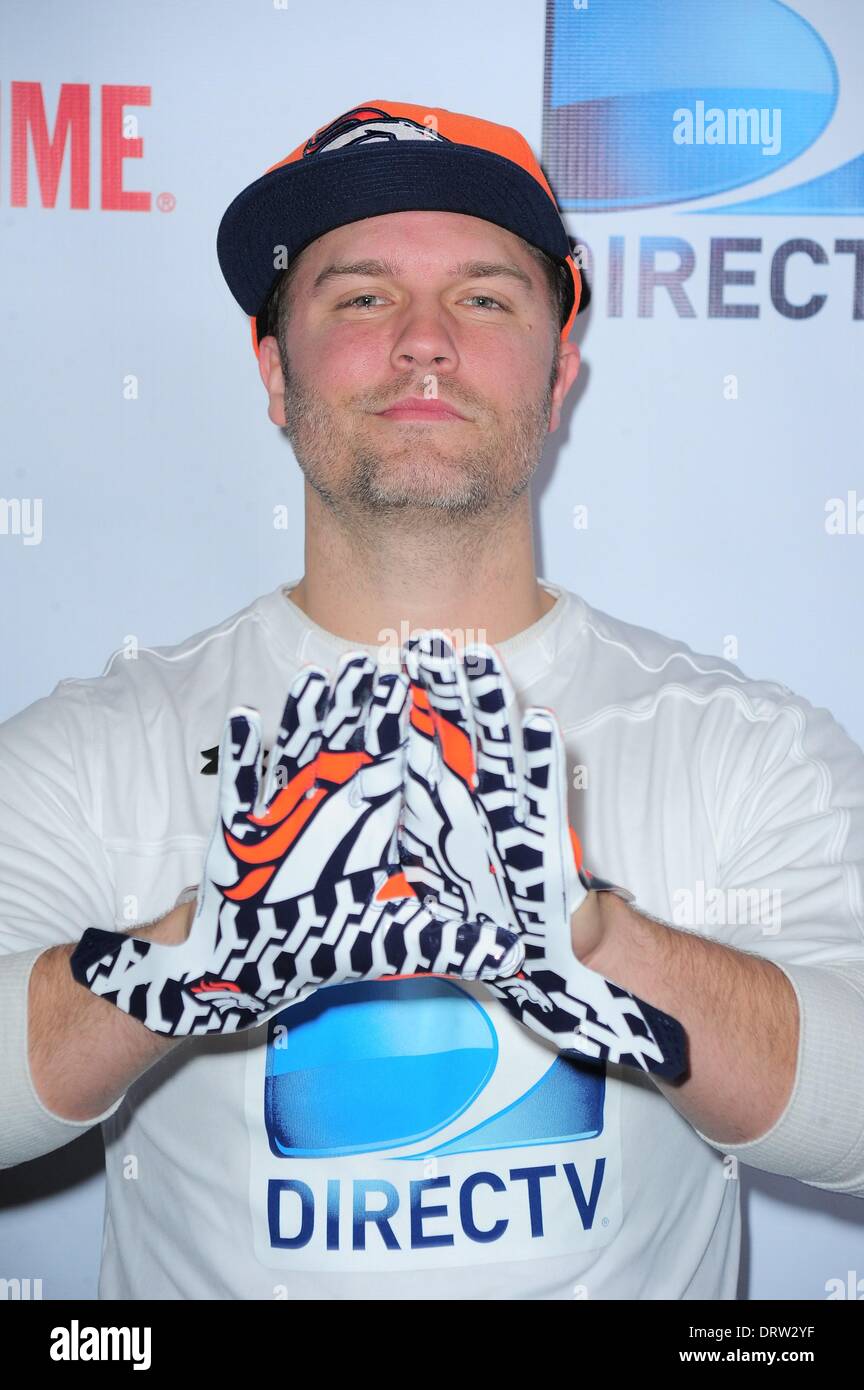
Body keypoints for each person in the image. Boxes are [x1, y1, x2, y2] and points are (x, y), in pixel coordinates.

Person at [1, 99, 862, 1301]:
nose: (423, 342)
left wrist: (592, 940)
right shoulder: (98, 746)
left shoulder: (741, 746)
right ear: (274, 371)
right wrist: (192, 951)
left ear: (558, 374)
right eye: (361, 297)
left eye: (485, 299)